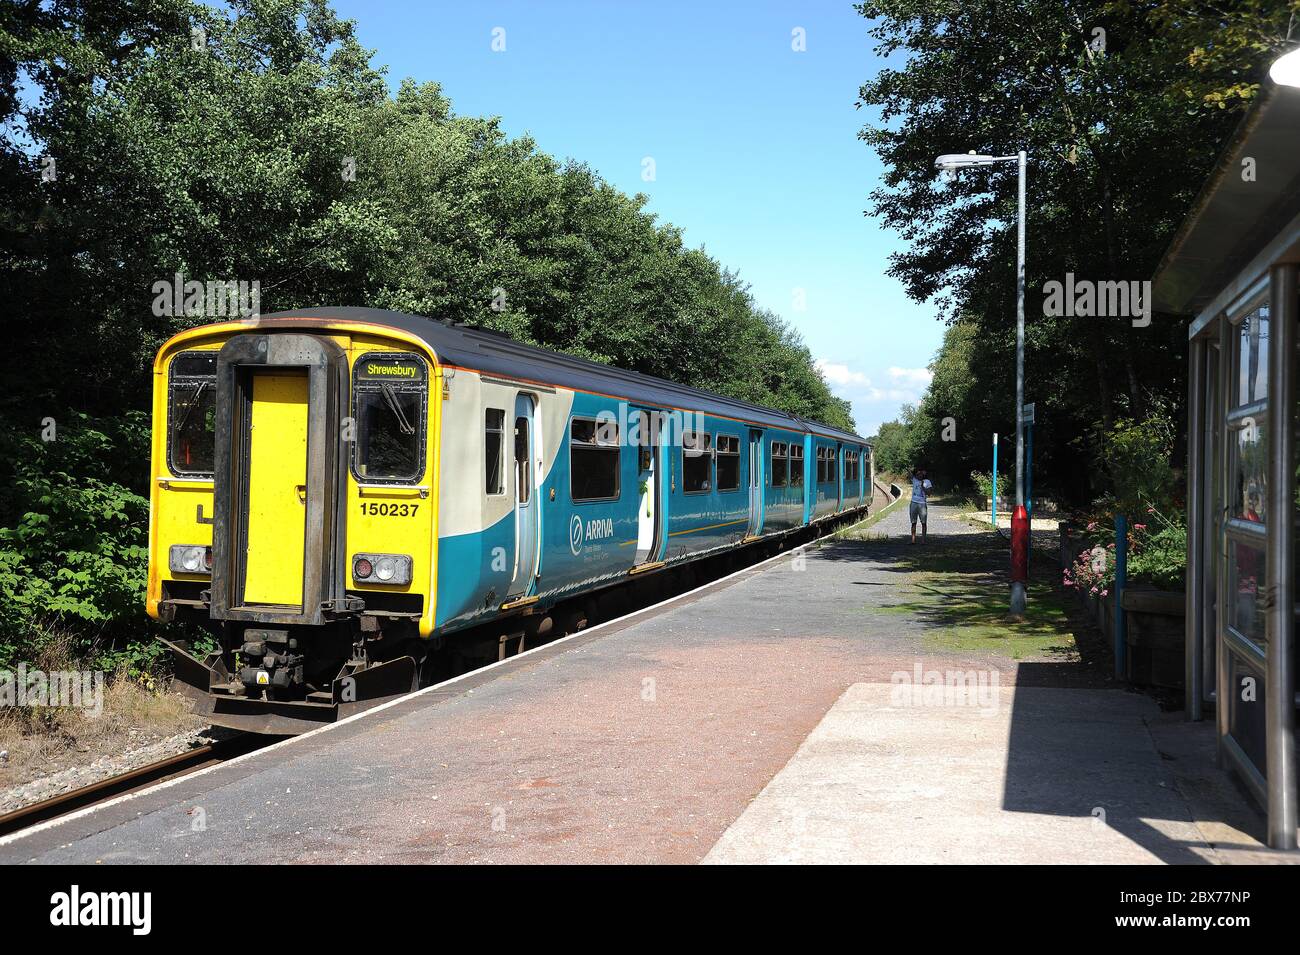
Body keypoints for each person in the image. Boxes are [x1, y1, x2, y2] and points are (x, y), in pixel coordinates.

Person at [910, 467, 932, 543]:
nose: (920, 475)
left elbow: (929, 493)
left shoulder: (927, 482)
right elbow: (910, 472)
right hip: (913, 502)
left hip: (922, 504)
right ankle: (913, 540)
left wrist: (923, 486)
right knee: (913, 522)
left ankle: (923, 540)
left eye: (921, 473)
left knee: (923, 522)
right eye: (918, 473)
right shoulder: (914, 480)